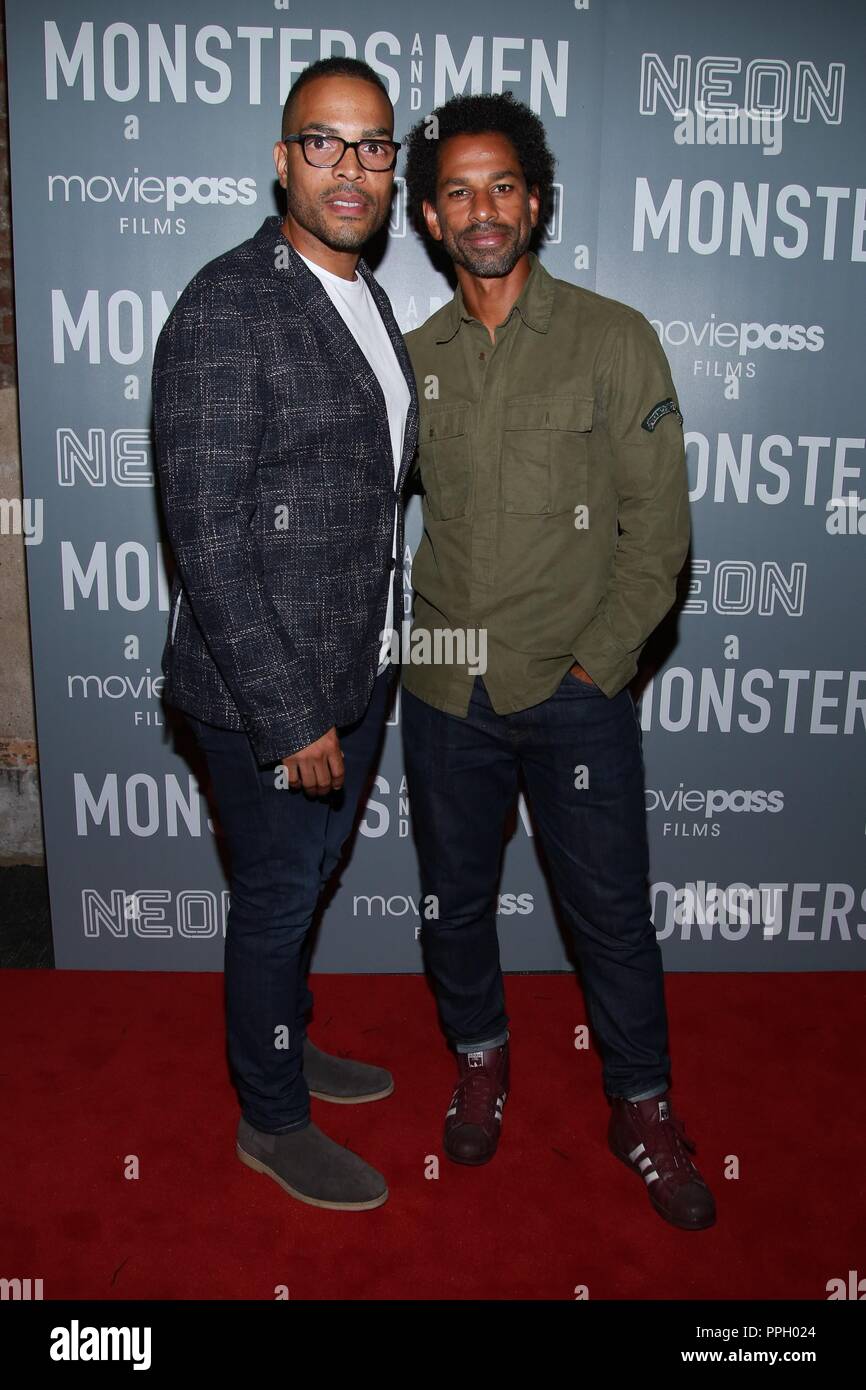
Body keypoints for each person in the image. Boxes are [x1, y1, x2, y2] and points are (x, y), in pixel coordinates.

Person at [400, 92, 714, 1230]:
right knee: (451, 906)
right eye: (455, 192)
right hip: (442, 686)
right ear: (428, 218)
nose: (480, 210)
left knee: (610, 917)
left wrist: (596, 666)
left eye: (500, 186)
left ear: (533, 199)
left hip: (574, 690)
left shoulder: (611, 337)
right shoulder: (409, 356)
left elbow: (658, 535)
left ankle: (639, 1104)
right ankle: (480, 1056)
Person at [151, 56, 417, 1212]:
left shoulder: (367, 293)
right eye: (323, 142)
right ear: (281, 160)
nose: (349, 168)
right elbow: (203, 531)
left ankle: (282, 1041)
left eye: (371, 146)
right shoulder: (228, 304)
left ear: (391, 166)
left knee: (303, 886)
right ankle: (269, 1120)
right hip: (269, 691)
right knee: (273, 895)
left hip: (356, 664)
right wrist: (288, 711)